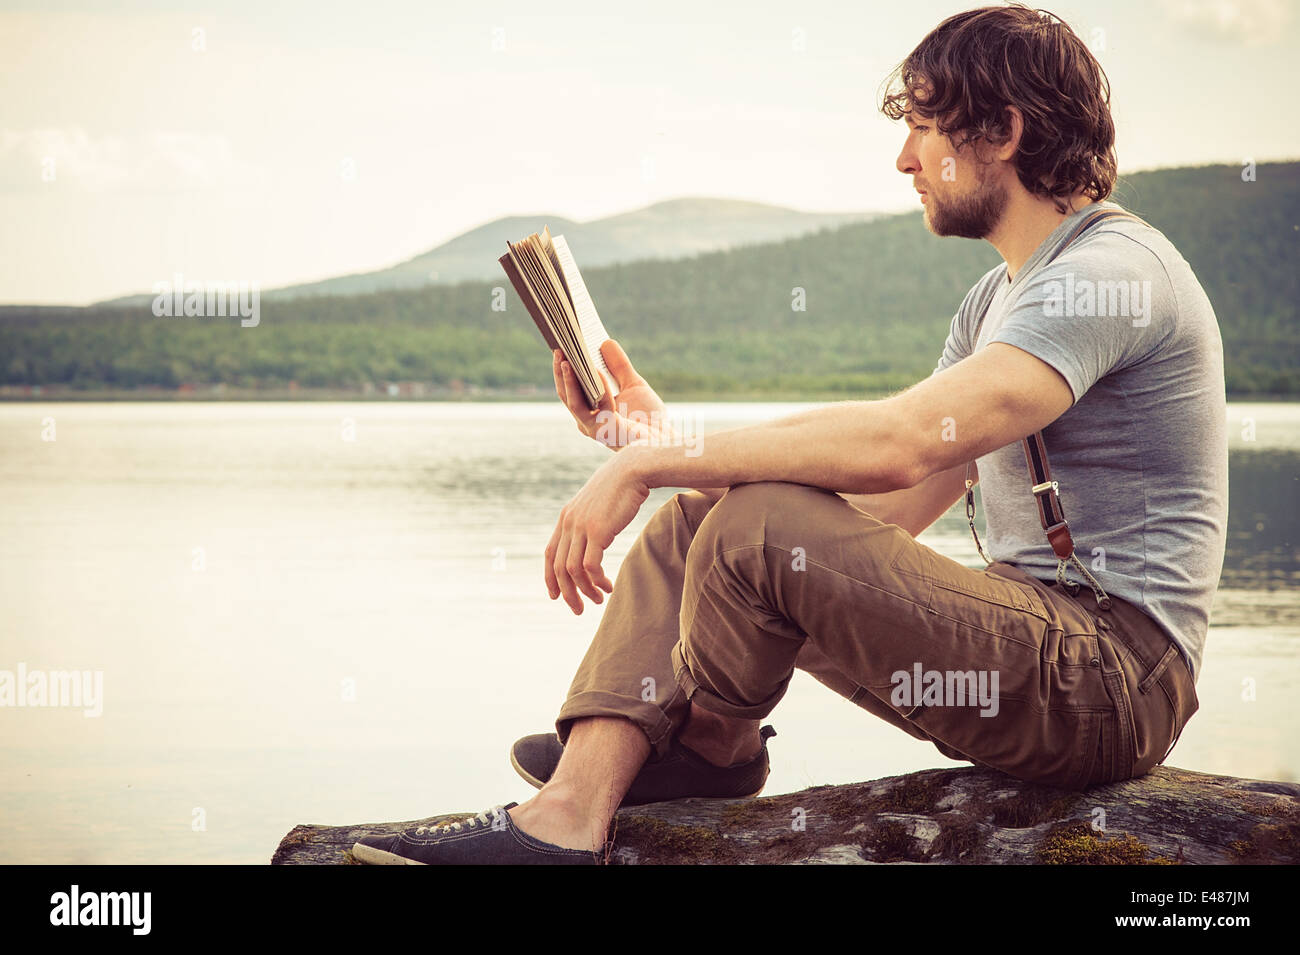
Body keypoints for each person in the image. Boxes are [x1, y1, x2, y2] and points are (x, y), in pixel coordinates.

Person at [353, 3, 1226, 866]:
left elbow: (903, 440)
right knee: (700, 523)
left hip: (1113, 683)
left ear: (1001, 129)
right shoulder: (994, 301)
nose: (903, 157)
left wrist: (660, 460)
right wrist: (659, 437)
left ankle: (697, 746)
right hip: (1038, 662)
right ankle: (595, 798)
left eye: (923, 126)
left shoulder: (1113, 274)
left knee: (758, 524)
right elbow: (886, 507)